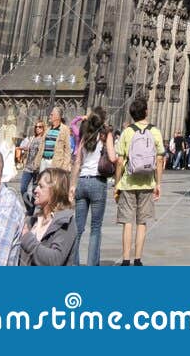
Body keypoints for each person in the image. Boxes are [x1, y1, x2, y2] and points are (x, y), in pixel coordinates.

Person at [114, 95, 164, 266]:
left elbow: (119, 161)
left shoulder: (127, 132)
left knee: (127, 222)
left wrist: (117, 183)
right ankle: (137, 260)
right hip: (147, 182)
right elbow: (159, 160)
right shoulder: (155, 131)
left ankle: (125, 260)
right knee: (142, 222)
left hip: (128, 182)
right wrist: (158, 183)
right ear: (146, 112)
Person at [72, 110, 114, 266]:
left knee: (78, 228)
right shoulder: (105, 135)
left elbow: (77, 162)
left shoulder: (84, 136)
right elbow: (112, 157)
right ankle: (91, 266)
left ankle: (74, 264)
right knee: (95, 228)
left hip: (82, 182)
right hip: (97, 182)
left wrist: (72, 185)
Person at [19, 168, 77, 266]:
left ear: (55, 190)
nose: (35, 190)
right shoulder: (33, 220)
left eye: (41, 186)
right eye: (37, 185)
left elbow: (54, 260)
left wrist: (26, 238)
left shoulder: (66, 222)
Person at [40, 107, 73, 174]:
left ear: (57, 117)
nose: (50, 116)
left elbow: (67, 149)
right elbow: (42, 145)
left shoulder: (65, 129)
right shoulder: (48, 129)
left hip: (55, 162)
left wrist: (64, 166)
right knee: (42, 180)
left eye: (51, 115)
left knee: (52, 180)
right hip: (44, 161)